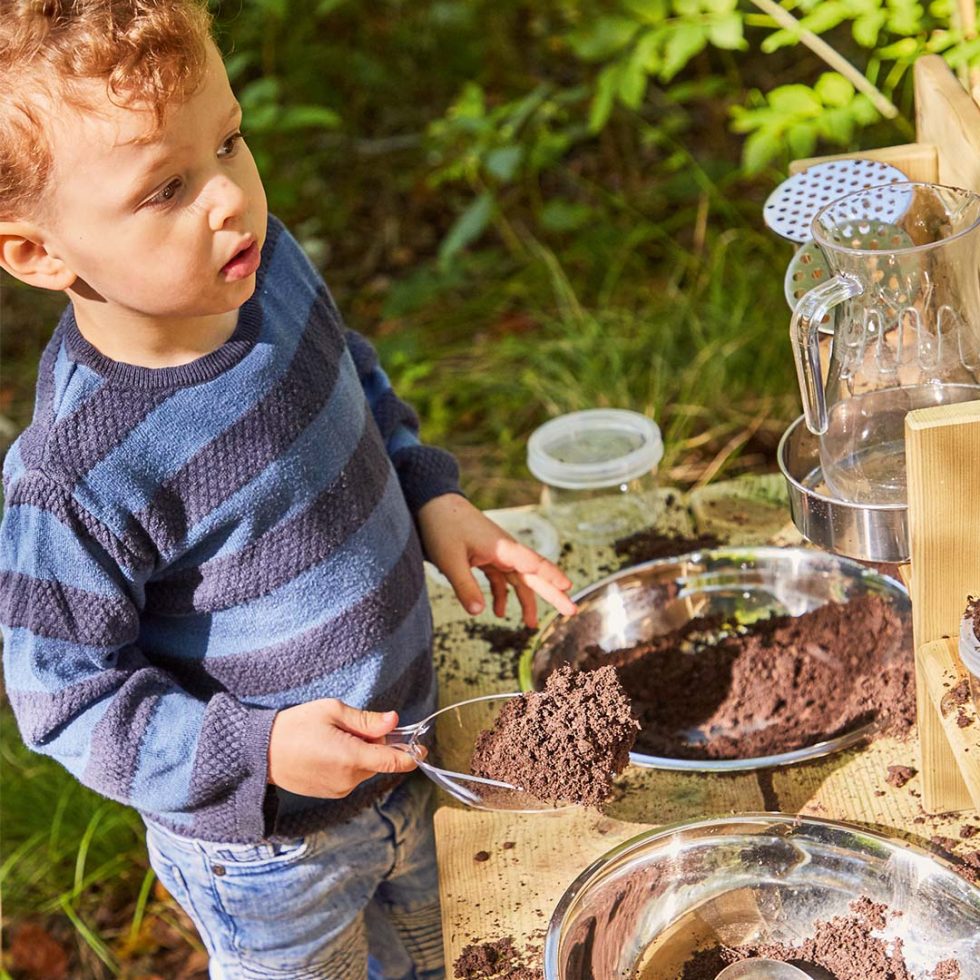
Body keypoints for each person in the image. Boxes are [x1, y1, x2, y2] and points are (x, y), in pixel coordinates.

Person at [0, 2, 577, 977]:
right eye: (166, 187)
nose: (228, 198)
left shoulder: (262, 273)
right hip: (265, 853)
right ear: (38, 253)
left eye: (229, 141)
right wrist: (253, 748)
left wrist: (428, 493)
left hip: (407, 745)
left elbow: (347, 379)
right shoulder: (76, 476)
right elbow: (67, 703)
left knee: (438, 957)